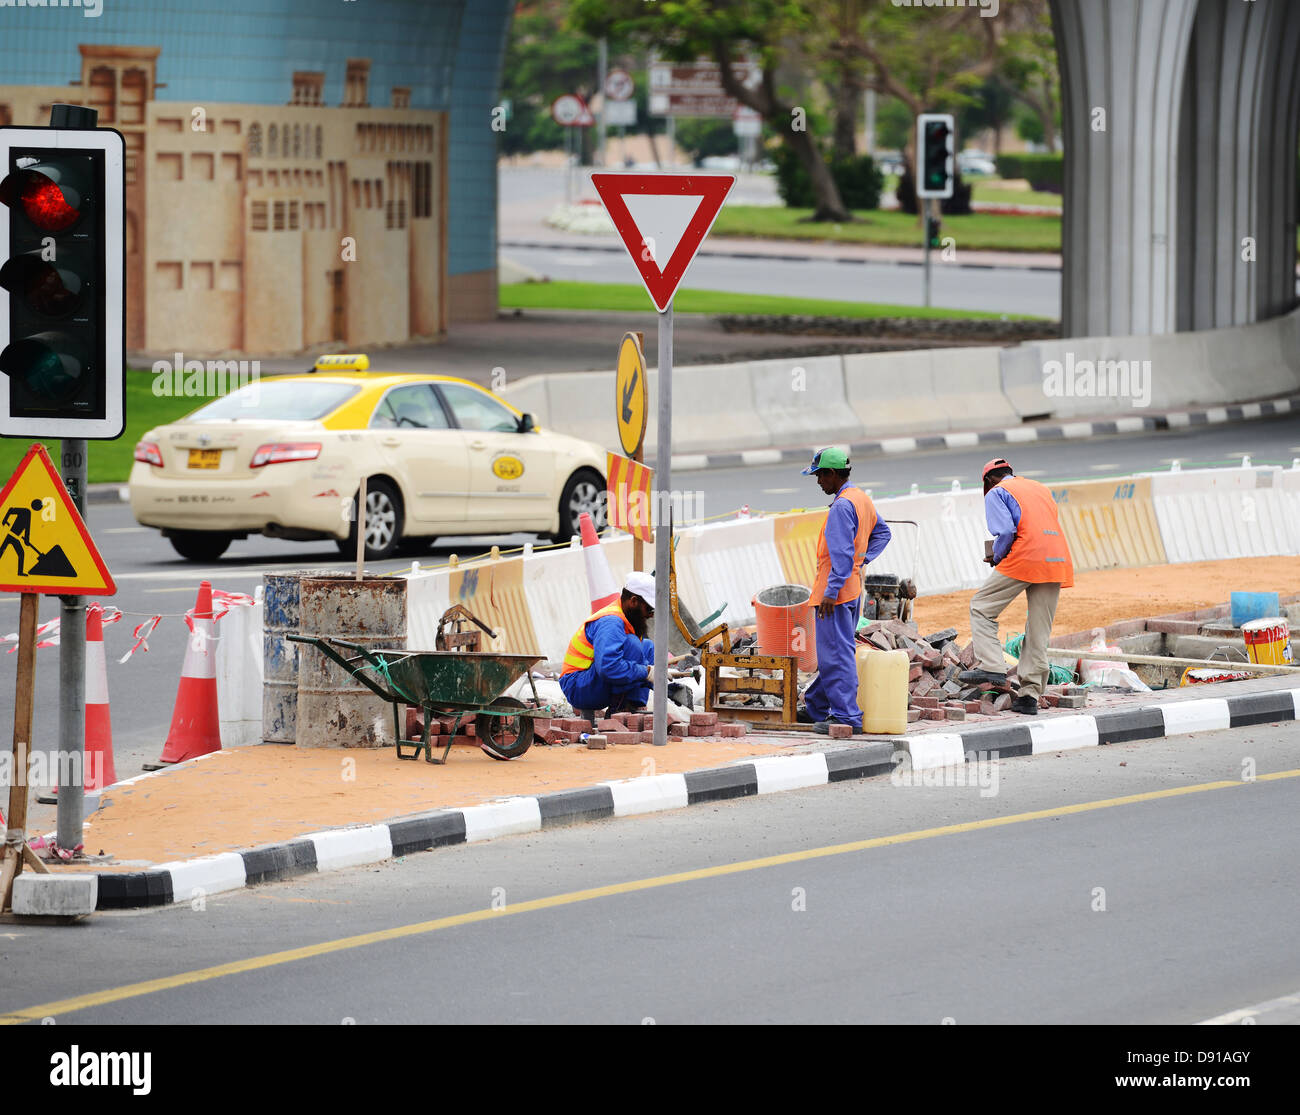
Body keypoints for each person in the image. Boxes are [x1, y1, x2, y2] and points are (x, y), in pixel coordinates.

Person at [958, 458, 1075, 715]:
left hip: (1026, 555)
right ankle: (1029, 697)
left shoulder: (998, 492)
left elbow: (1007, 533)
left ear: (989, 480)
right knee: (1038, 629)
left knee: (981, 607)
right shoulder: (1040, 489)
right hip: (1056, 557)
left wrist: (996, 557)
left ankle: (992, 666)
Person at [798, 448, 892, 733]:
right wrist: (859, 562)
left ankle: (847, 717)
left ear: (832, 474)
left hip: (834, 595)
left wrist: (831, 589)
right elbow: (883, 533)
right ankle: (815, 706)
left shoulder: (841, 506)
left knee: (836, 655)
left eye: (820, 476)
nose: (818, 482)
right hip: (851, 590)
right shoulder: (860, 497)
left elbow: (841, 554)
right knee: (837, 652)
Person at [559, 571, 658, 718]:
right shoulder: (611, 622)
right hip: (578, 686)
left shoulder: (624, 619)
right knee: (632, 644)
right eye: (649, 609)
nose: (651, 615)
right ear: (633, 601)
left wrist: (662, 684)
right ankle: (619, 711)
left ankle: (633, 706)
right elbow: (608, 668)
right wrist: (646, 672)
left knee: (647, 646)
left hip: (590, 681)